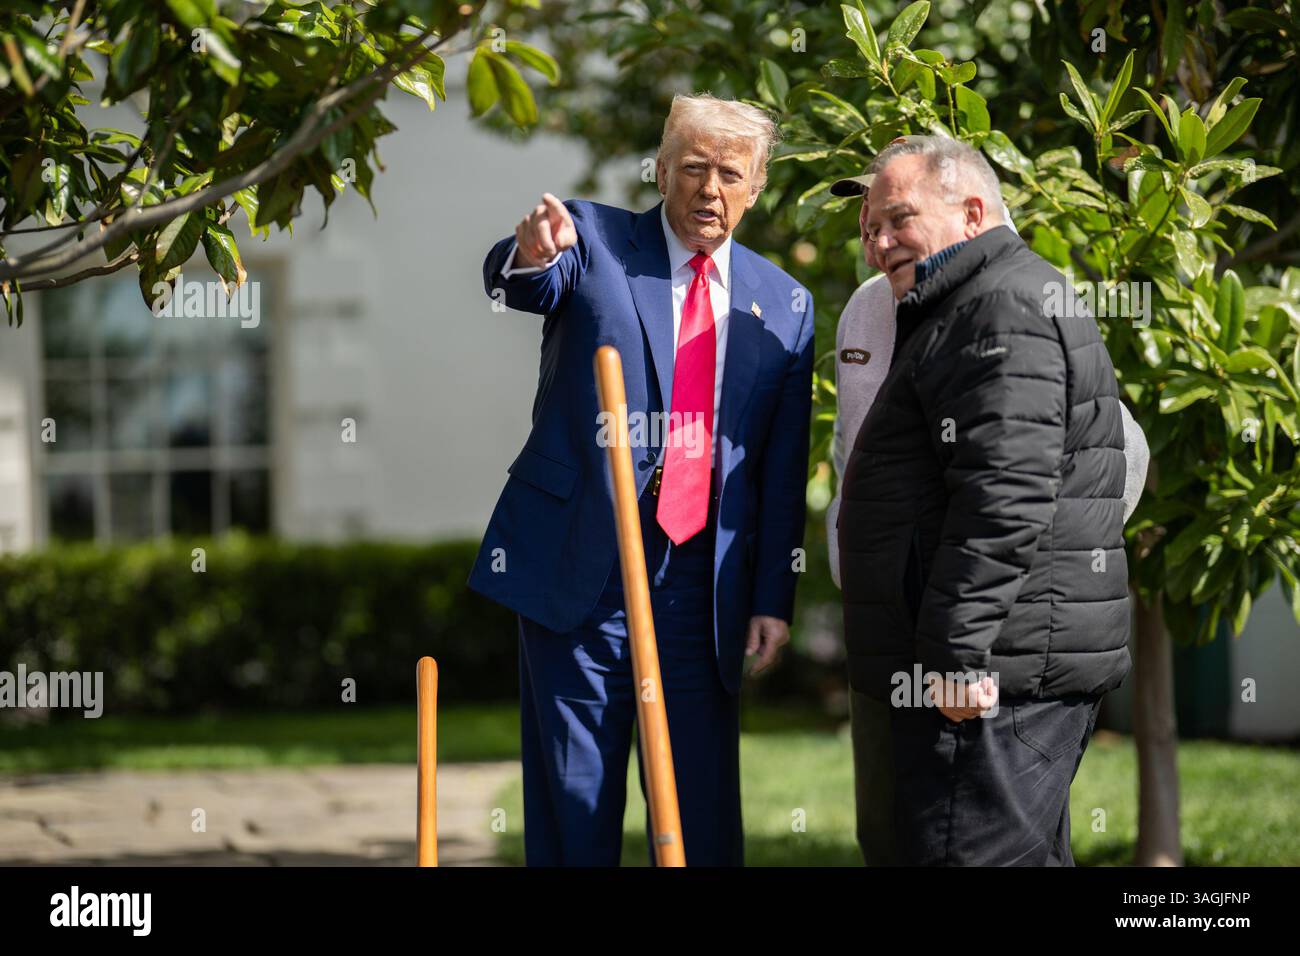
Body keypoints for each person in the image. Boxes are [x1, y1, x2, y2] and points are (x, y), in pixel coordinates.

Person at [468, 94, 815, 866]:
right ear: (659, 171)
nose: (709, 189)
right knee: (574, 805)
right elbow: (523, 281)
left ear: (758, 186)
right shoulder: (592, 239)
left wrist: (770, 599)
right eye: (692, 168)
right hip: (580, 571)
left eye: (731, 172)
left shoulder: (786, 304)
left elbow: (782, 469)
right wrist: (531, 253)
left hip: (703, 587)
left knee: (698, 820)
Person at [825, 152, 1150, 866]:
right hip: (986, 670)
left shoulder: (1000, 304)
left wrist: (953, 652)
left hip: (984, 680)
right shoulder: (973, 301)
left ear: (972, 213)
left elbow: (1003, 494)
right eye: (870, 227)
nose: (878, 243)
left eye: (899, 219)